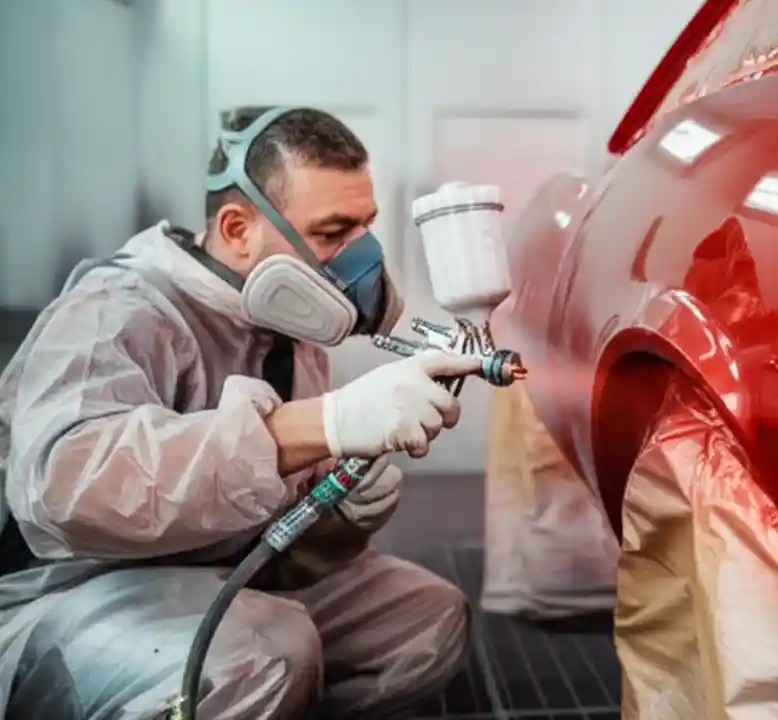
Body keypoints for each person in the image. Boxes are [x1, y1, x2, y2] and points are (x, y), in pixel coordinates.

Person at [0, 106, 478, 719]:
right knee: (265, 656)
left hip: (219, 576)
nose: (359, 261)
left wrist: (336, 515)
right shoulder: (115, 310)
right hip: (76, 593)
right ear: (236, 228)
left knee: (425, 623)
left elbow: (259, 527)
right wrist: (319, 426)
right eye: (333, 233)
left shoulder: (293, 326)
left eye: (365, 228)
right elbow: (63, 489)